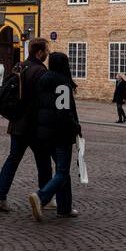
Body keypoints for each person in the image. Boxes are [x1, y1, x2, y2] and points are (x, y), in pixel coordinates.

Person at [0, 39, 53, 212]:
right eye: (46, 50)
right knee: (44, 162)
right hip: (34, 126)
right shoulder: (40, 71)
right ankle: (46, 196)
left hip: (17, 124)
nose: (47, 53)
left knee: (12, 160)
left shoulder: (19, 67)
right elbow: (43, 100)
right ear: (39, 53)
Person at [27, 50, 81, 220]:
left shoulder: (43, 80)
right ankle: (41, 196)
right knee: (63, 171)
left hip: (44, 132)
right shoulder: (62, 83)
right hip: (61, 132)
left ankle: (64, 208)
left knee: (62, 171)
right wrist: (75, 126)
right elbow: (63, 110)